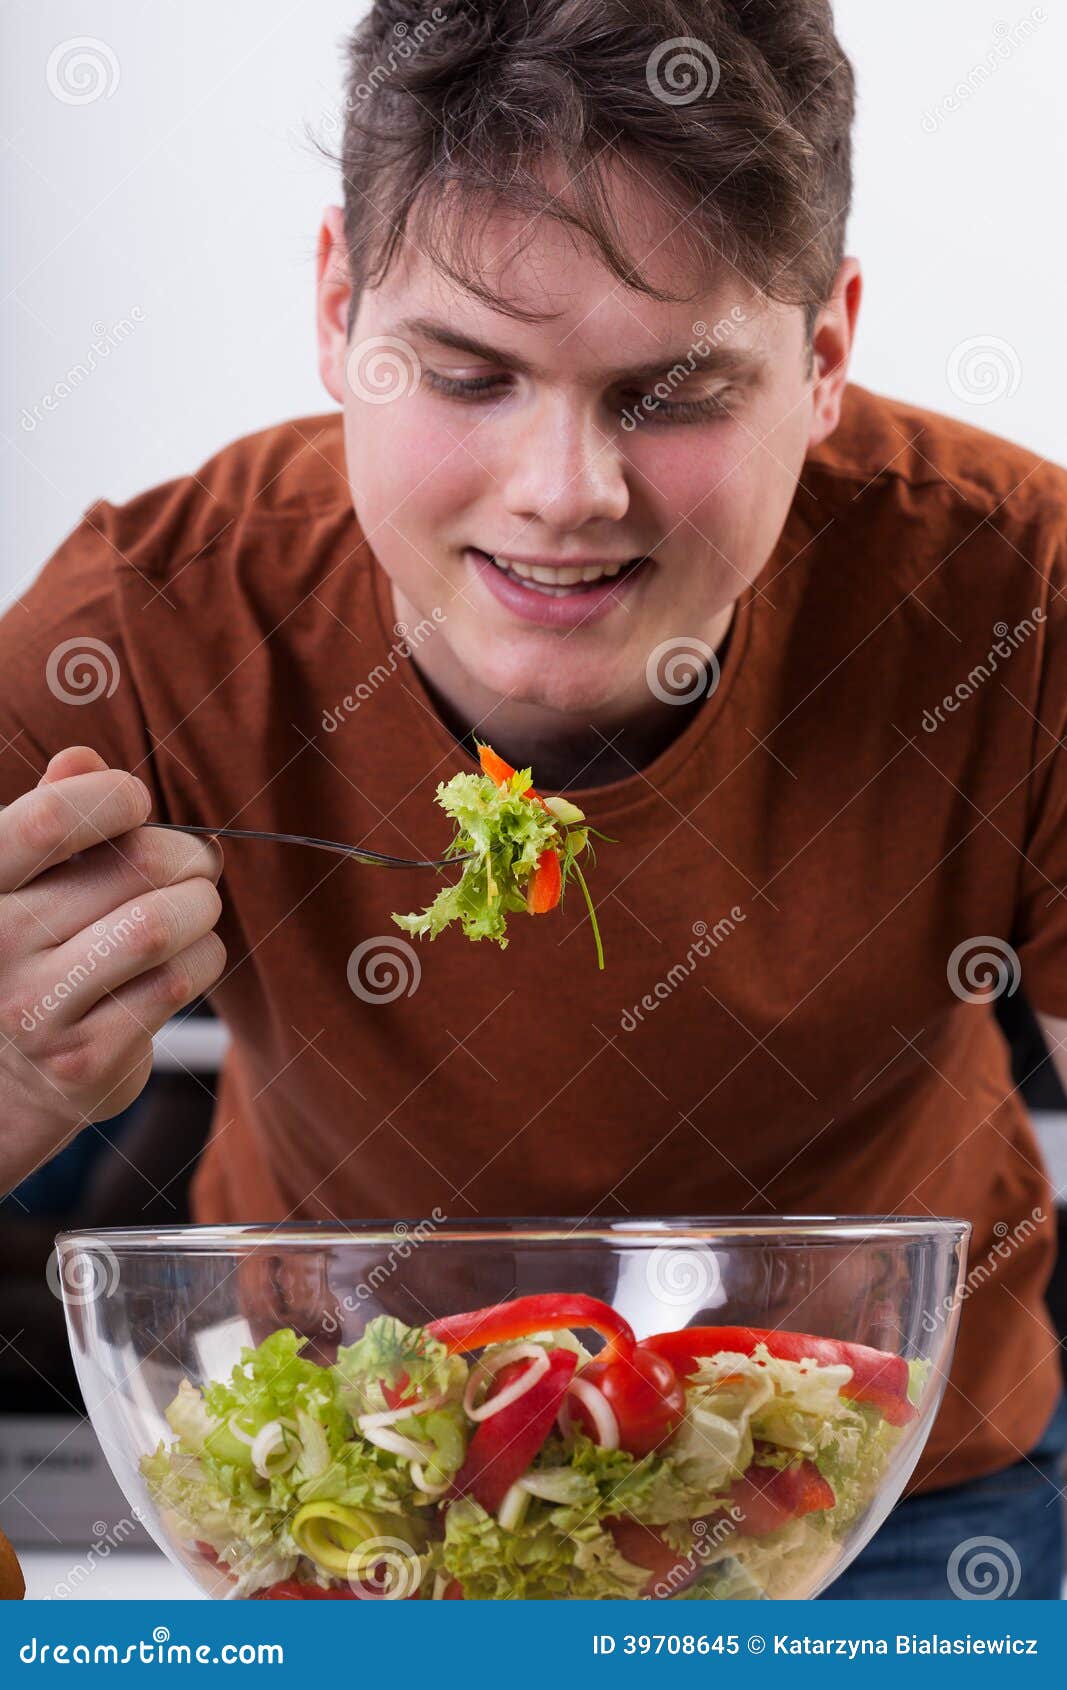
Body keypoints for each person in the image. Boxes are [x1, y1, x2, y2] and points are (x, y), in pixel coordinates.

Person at [0, 0, 1064, 1598]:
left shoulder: (1011, 589)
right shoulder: (148, 626)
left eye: (679, 390)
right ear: (338, 308)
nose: (566, 493)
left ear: (827, 357)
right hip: (347, 1501)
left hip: (890, 1503)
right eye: (469, 375)